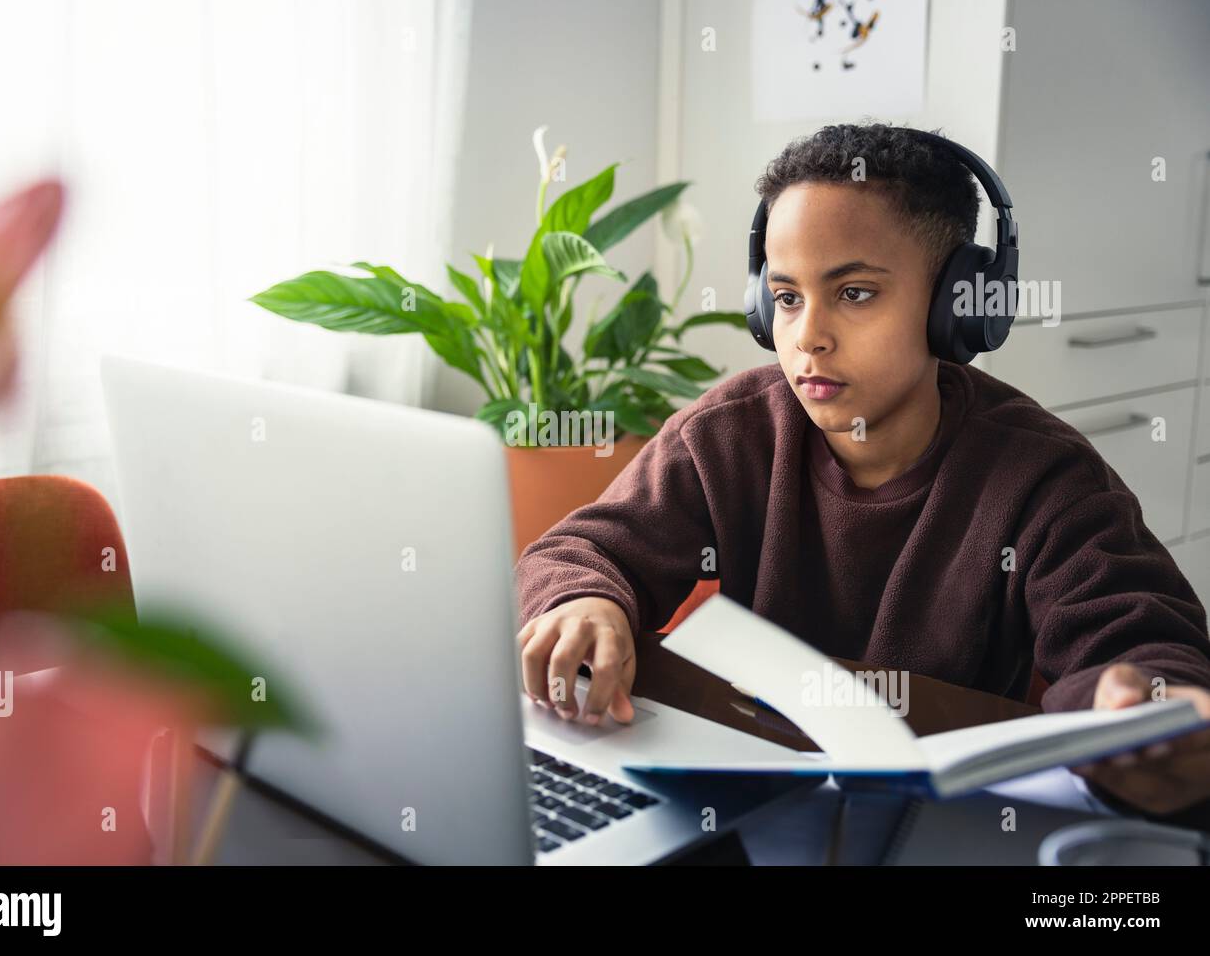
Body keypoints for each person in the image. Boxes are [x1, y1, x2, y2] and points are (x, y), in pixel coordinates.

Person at [514, 123, 1210, 825]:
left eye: (853, 293)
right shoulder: (729, 433)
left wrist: (1145, 703)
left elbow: (1147, 645)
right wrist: (584, 601)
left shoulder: (1043, 476)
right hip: (759, 801)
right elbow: (582, 550)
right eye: (785, 298)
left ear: (956, 307)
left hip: (936, 823)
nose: (808, 335)